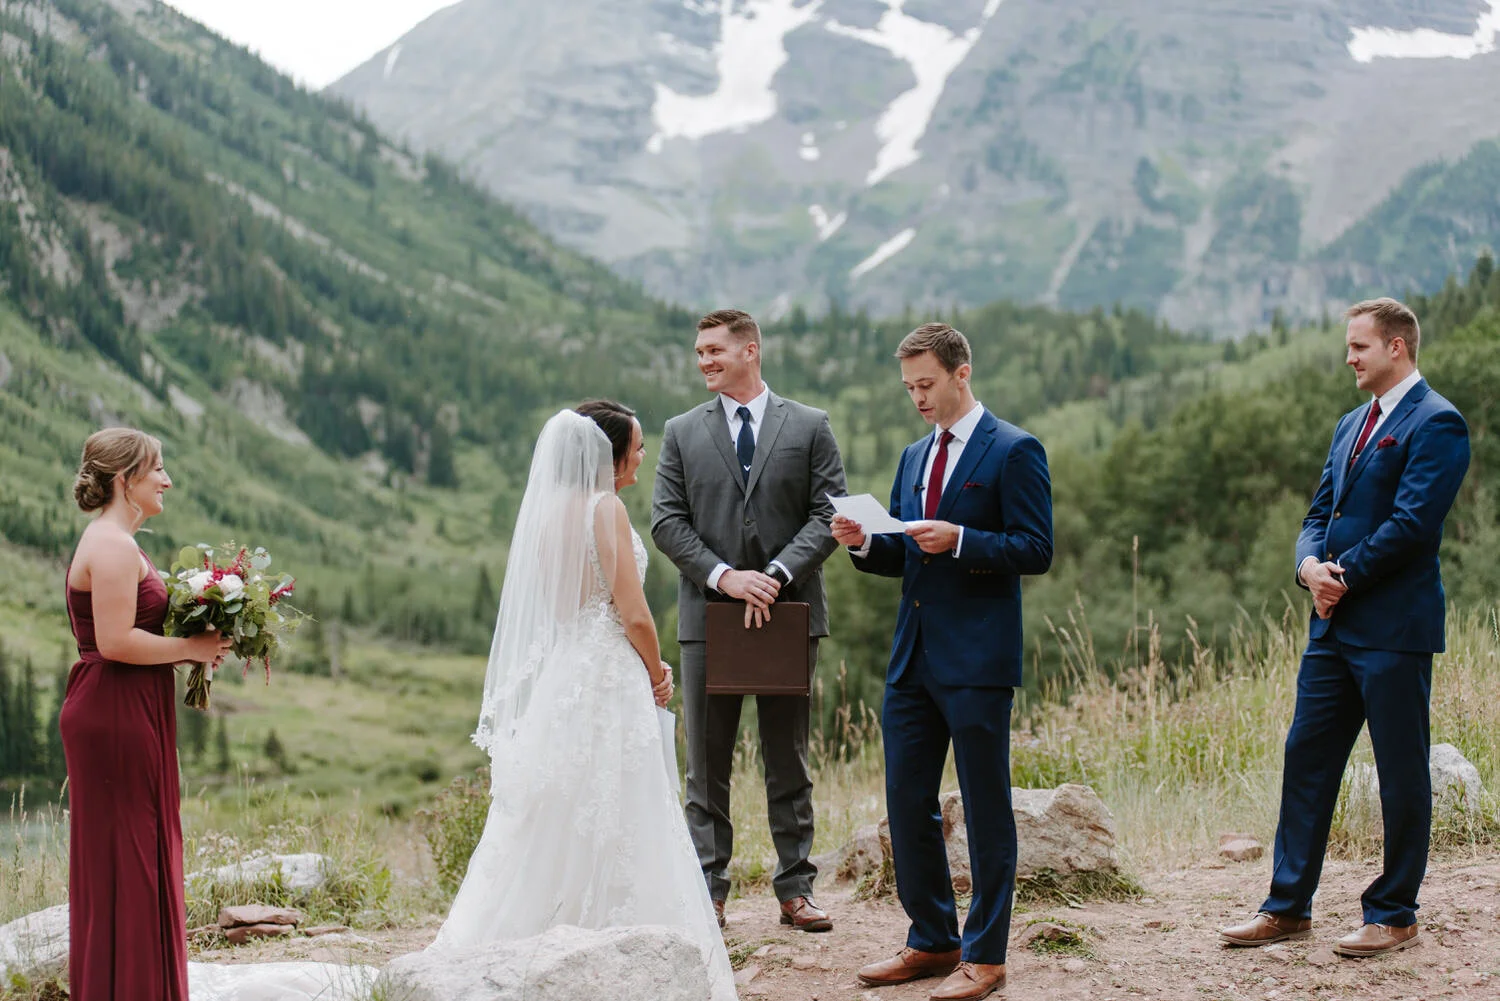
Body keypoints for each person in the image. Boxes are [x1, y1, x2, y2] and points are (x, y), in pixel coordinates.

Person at [430, 403, 734, 1000]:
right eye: (637, 447)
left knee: (560, 807)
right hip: (611, 673)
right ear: (609, 455)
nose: (642, 456)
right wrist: (656, 669)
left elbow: (561, 606)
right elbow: (633, 613)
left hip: (566, 674)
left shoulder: (545, 515)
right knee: (624, 802)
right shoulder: (606, 509)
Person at [1219, 298, 1470, 958]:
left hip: (1394, 629)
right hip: (1332, 629)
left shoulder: (1438, 422)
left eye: (1360, 346)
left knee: (1400, 772)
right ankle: (1286, 907)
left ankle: (1394, 912)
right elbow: (1318, 514)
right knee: (1306, 759)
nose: (1349, 357)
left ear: (1396, 347)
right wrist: (1308, 568)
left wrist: (1343, 575)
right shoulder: (1350, 424)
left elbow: (1413, 524)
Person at [834, 323, 1053, 1001]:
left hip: (979, 659)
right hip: (912, 659)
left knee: (986, 808)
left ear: (962, 373)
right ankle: (932, 938)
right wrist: (862, 542)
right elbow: (904, 553)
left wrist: (961, 538)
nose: (918, 398)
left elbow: (1035, 548)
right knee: (906, 803)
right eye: (908, 388)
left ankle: (986, 956)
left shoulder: (1015, 449)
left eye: (926, 384)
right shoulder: (912, 456)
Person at [651, 309, 848, 932]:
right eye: (699, 352)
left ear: (750, 351)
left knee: (788, 755)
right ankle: (708, 891)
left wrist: (777, 575)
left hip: (788, 612)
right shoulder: (681, 432)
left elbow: (830, 514)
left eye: (714, 350)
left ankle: (796, 890)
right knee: (706, 763)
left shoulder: (810, 424)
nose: (703, 361)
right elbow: (666, 522)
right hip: (708, 617)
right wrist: (727, 578)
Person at [62, 428, 231, 1001]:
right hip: (114, 711)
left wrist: (195, 644)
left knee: (138, 855)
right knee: (130, 861)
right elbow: (114, 641)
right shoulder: (111, 545)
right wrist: (191, 647)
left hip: (129, 705)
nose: (167, 480)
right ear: (123, 479)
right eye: (157, 468)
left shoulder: (120, 542)